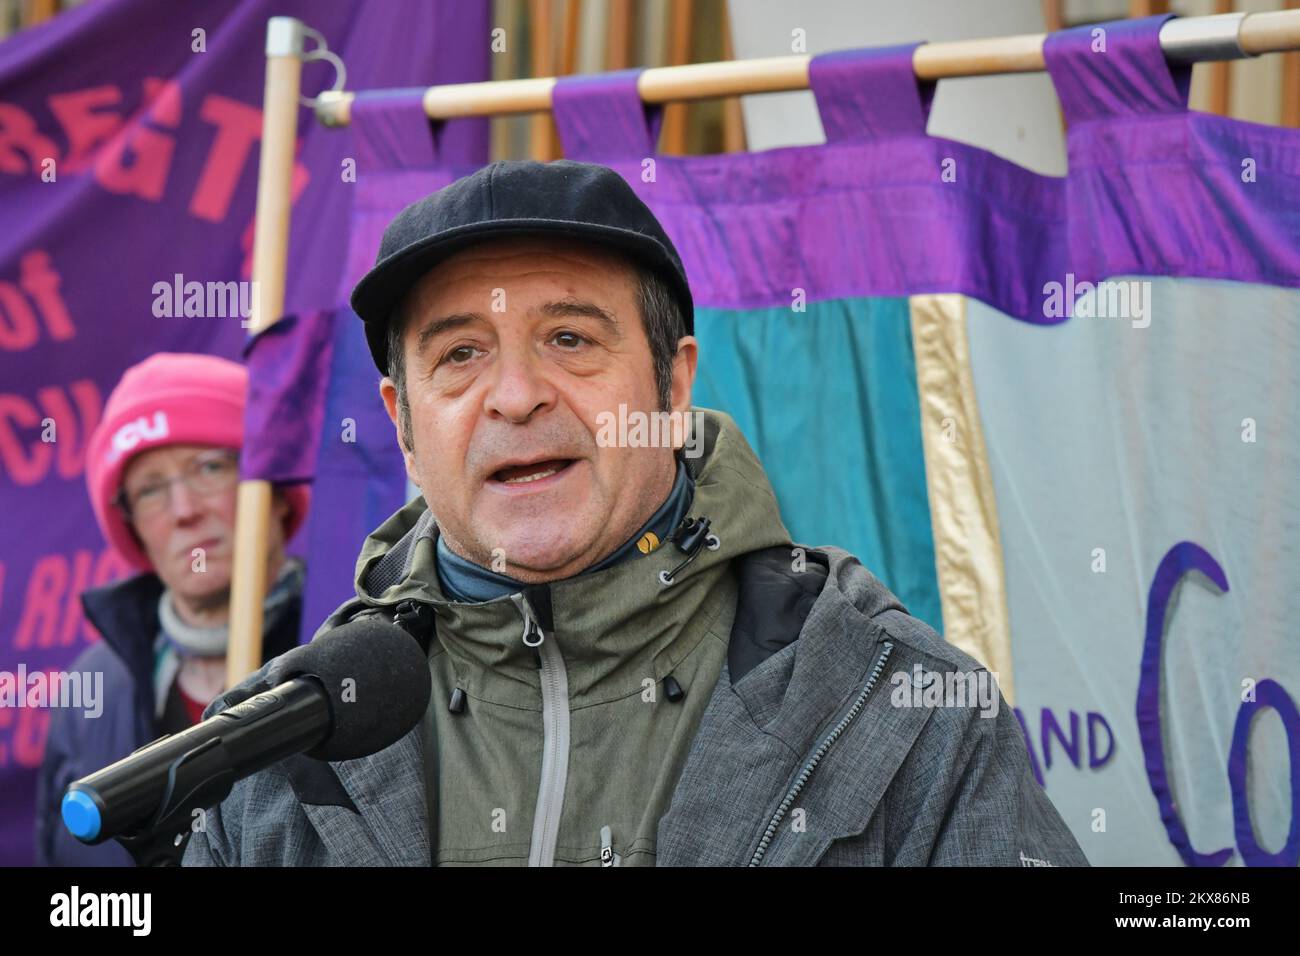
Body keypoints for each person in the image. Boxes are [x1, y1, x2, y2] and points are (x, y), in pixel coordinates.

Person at [184, 160, 1088, 867]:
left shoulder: (898, 706)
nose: (515, 396)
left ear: (674, 383)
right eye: (460, 353)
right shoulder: (275, 749)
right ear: (404, 424)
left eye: (569, 338)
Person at [36, 353, 309, 866]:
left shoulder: (347, 649)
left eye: (210, 467)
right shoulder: (91, 693)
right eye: (150, 489)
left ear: (275, 491)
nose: (185, 510)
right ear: (133, 527)